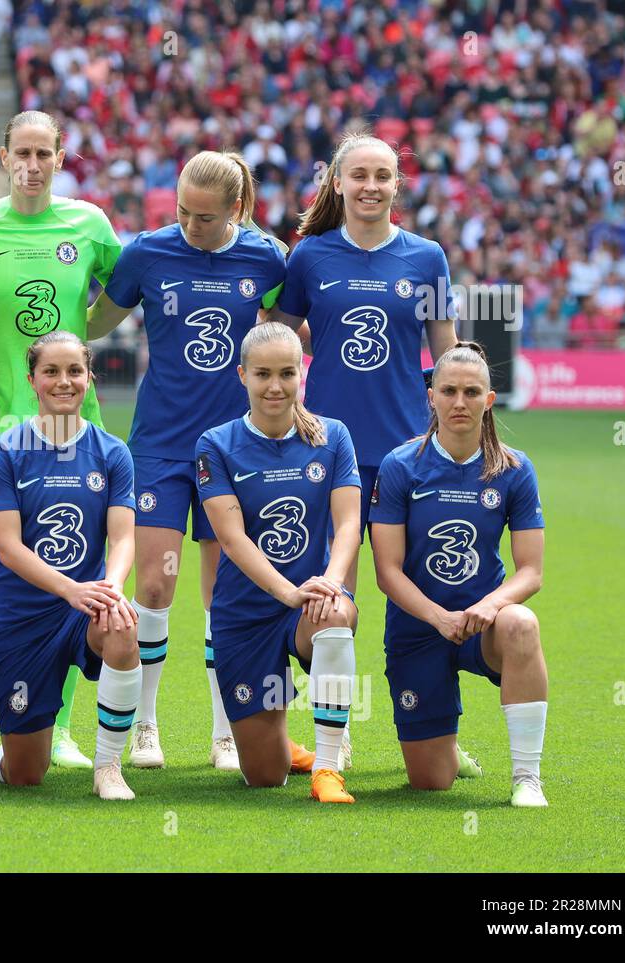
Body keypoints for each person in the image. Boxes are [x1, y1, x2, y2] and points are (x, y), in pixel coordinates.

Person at [87, 150, 297, 772]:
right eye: (181, 210)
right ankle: (146, 727)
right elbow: (93, 320)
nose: (190, 224)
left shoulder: (265, 258)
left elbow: (288, 332)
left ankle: (225, 732)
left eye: (204, 217)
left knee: (221, 595)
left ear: (235, 208)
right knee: (153, 585)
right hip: (159, 445)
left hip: (237, 451)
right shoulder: (148, 253)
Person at [266, 130, 460, 771]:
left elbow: (446, 354)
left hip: (409, 455)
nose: (372, 186)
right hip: (327, 455)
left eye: (384, 175)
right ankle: (334, 732)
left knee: (423, 595)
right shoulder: (309, 258)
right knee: (332, 599)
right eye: (360, 176)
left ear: (396, 185)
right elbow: (279, 348)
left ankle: (436, 737)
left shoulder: (427, 257)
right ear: (338, 184)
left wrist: (451, 435)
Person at [0, 110, 122, 769]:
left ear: (61, 156)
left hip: (77, 431)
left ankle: (61, 727)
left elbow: (126, 287)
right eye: (23, 152)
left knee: (75, 573)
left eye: (46, 152)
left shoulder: (89, 225)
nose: (34, 164)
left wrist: (82, 337)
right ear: (5, 155)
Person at [370, 342, 550, 807]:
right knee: (431, 782)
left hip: (482, 626)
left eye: (472, 392)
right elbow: (387, 572)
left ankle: (527, 778)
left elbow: (531, 571)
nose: (459, 402)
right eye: (448, 391)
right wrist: (439, 618)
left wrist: (490, 606)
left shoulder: (514, 468)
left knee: (522, 624)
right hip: (418, 627)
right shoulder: (399, 466)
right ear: (431, 395)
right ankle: (447, 748)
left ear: (489, 401)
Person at [196, 323, 362, 804]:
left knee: (333, 615)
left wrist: (330, 583)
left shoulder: (333, 437)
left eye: (287, 373)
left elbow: (349, 525)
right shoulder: (216, 444)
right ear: (242, 375)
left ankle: (328, 769)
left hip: (307, 607)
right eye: (263, 374)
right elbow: (231, 538)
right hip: (245, 615)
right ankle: (278, 740)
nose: (275, 386)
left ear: (301, 373)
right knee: (264, 776)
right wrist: (288, 592)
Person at [0, 332, 142, 800]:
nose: (64, 381)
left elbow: (124, 537)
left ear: (90, 379)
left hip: (86, 608)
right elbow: (8, 548)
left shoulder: (113, 452)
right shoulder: (6, 450)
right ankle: (12, 747)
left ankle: (109, 767)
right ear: (32, 380)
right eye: (51, 372)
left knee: (123, 625)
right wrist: (70, 590)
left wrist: (110, 587)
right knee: (25, 775)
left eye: (74, 371)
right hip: (24, 616)